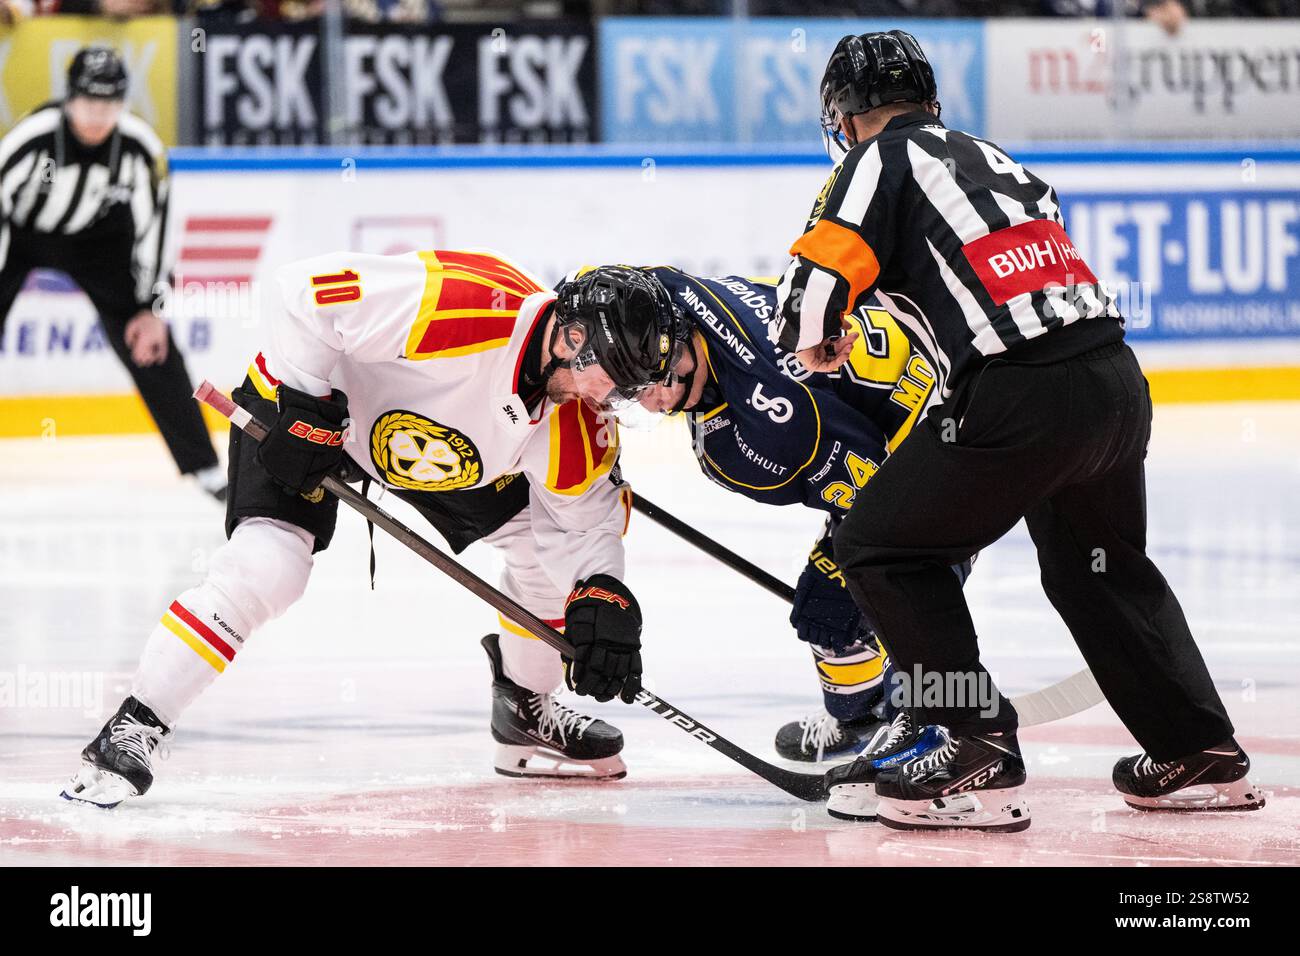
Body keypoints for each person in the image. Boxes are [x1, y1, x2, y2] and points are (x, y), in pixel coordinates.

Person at [772, 31, 1261, 831]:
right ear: (930, 99)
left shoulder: (873, 162)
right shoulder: (998, 159)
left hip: (1020, 394)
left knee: (880, 545)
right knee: (1097, 569)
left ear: (846, 117)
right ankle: (1196, 750)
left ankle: (974, 740)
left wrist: (814, 337)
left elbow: (817, 282)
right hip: (1112, 384)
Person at [62, 250, 683, 807]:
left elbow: (583, 532)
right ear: (573, 338)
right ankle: (132, 726)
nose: (619, 399)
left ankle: (525, 711)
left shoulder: (573, 419)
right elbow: (302, 292)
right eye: (617, 377)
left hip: (434, 454)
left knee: (545, 563)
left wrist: (603, 595)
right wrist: (308, 403)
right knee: (269, 569)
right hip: (314, 411)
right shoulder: (469, 303)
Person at [627, 265, 966, 764]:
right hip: (896, 437)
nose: (650, 406)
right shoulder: (695, 313)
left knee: (882, 590)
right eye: (632, 392)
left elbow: (886, 506)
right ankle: (862, 717)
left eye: (648, 385)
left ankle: (934, 725)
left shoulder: (770, 409)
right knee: (829, 604)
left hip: (954, 443)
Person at [0, 46, 225, 499]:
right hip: (20, 236)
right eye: (89, 102)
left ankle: (205, 468)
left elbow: (154, 228)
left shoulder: (138, 147)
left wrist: (151, 308)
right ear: (69, 99)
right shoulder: (32, 138)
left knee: (152, 345)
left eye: (110, 104)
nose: (98, 115)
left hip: (96, 243)